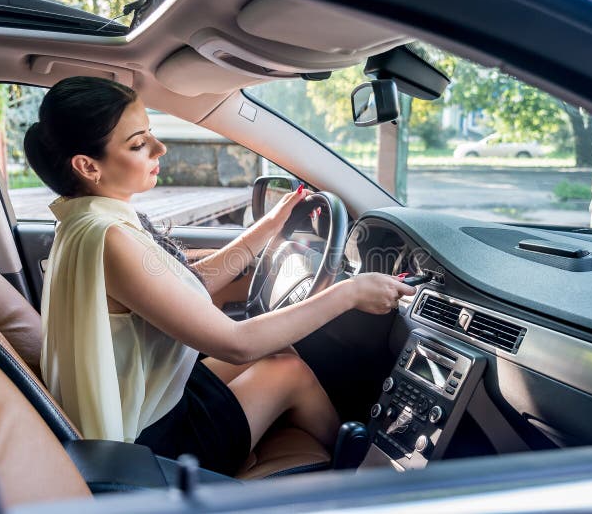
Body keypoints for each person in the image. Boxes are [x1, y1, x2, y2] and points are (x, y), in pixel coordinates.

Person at [24, 76, 416, 475]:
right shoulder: (110, 237)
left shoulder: (86, 221)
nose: (160, 148)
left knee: (281, 351)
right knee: (289, 372)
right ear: (88, 166)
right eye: (139, 144)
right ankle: (363, 479)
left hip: (149, 401)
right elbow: (237, 345)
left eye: (151, 133)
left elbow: (184, 285)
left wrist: (268, 227)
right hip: (148, 446)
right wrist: (348, 294)